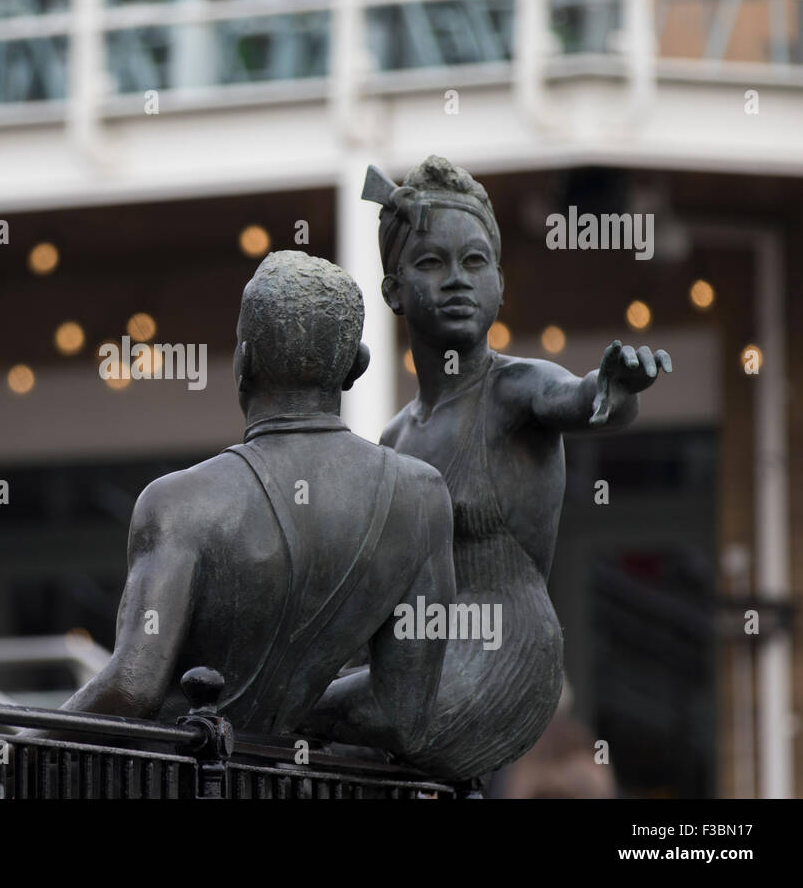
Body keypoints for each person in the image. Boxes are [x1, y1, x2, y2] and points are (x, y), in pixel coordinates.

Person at [304, 156, 671, 782]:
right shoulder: (395, 437)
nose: (456, 281)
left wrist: (614, 389)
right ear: (393, 290)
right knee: (296, 705)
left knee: (322, 716)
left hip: (506, 649)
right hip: (422, 653)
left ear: (499, 284)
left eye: (474, 263)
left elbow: (583, 401)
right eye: (430, 263)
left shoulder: (518, 389)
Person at [41, 250, 457, 750]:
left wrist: (11, 751)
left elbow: (133, 687)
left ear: (245, 359)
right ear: (356, 365)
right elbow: (402, 712)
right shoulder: (423, 496)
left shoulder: (179, 502)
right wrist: (287, 713)